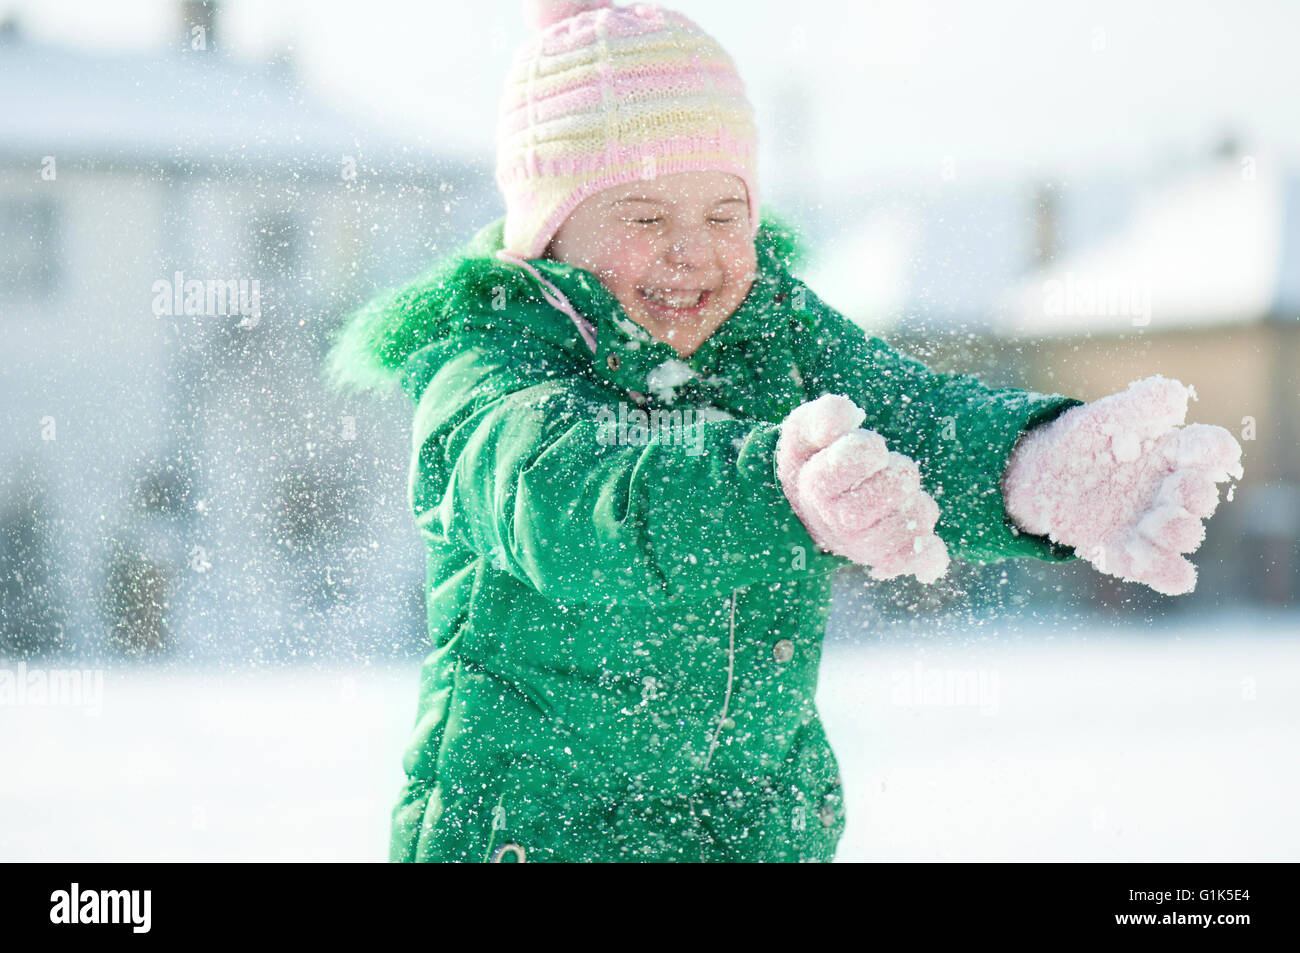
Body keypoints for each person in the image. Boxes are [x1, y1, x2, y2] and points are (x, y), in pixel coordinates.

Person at [323, 0, 1244, 862]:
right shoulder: (490, 362)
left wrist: (1023, 463)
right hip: (533, 836)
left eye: (726, 215)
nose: (694, 251)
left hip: (751, 830)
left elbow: (911, 419)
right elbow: (563, 497)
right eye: (644, 216)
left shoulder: (775, 330)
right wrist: (776, 488)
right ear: (547, 231)